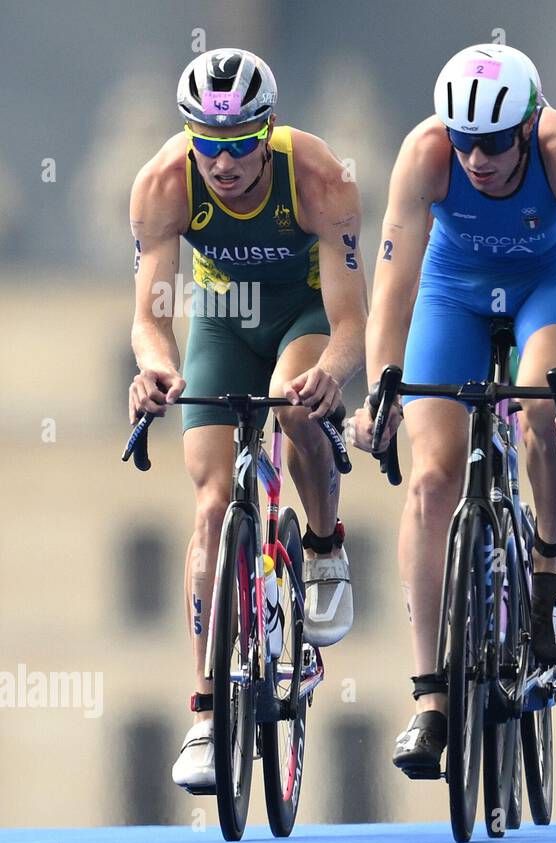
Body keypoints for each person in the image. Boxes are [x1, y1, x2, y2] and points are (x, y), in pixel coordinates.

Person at [350, 44, 556, 778]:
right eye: (465, 140)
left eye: (496, 142)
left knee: (543, 417)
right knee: (433, 481)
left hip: (547, 289)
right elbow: (394, 281)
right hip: (454, 291)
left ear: (528, 128)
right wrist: (381, 387)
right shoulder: (424, 153)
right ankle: (431, 700)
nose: (477, 158)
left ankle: (548, 568)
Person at [129, 49, 366, 792]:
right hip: (224, 320)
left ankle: (324, 544)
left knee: (297, 403)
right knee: (208, 507)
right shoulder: (165, 182)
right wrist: (156, 368)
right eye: (208, 143)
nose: (223, 164)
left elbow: (352, 319)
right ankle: (205, 710)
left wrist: (334, 373)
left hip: (303, 312)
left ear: (268, 134)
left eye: (238, 147)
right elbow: (149, 314)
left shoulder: (320, 176)